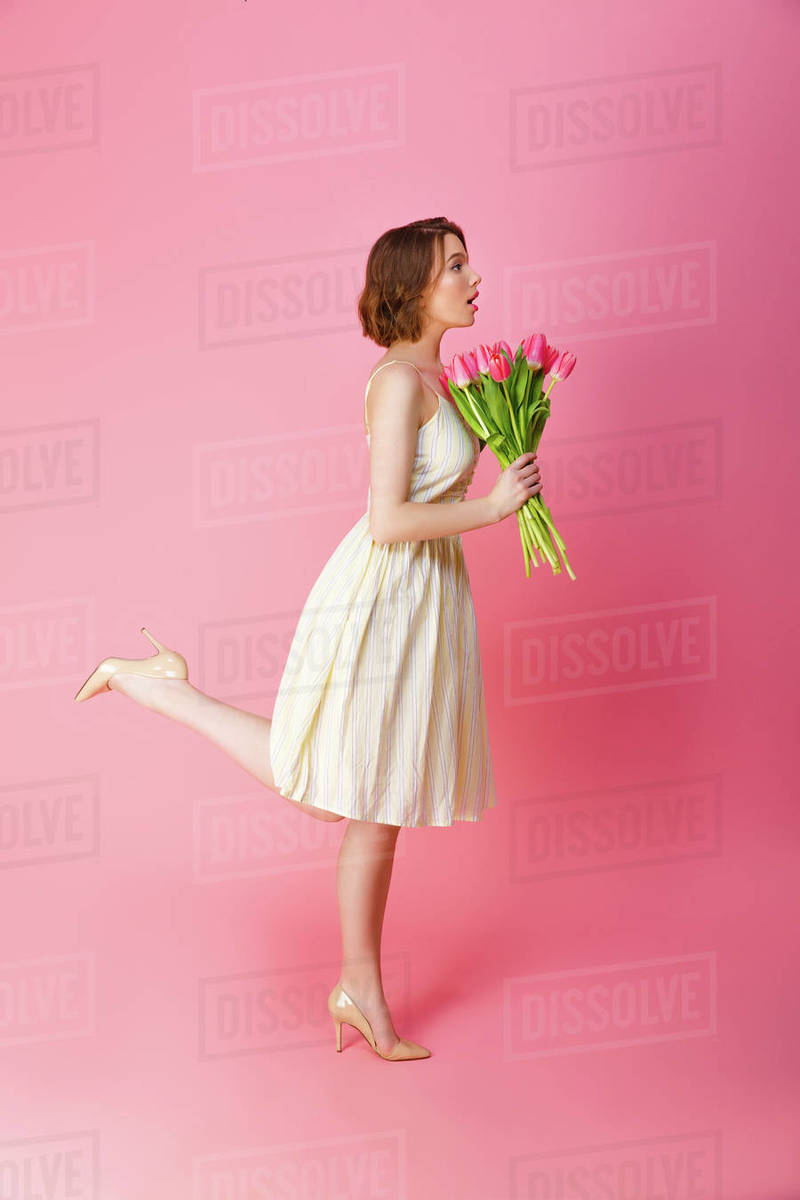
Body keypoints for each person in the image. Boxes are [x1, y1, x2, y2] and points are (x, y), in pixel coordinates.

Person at [73, 216, 542, 1061]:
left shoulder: (446, 379)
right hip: (385, 595)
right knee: (342, 787)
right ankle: (159, 687)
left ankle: (359, 989)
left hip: (428, 598)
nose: (476, 280)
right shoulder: (398, 382)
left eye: (472, 264)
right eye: (458, 267)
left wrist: (509, 445)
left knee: (374, 800)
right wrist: (498, 507)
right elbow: (390, 518)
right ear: (414, 285)